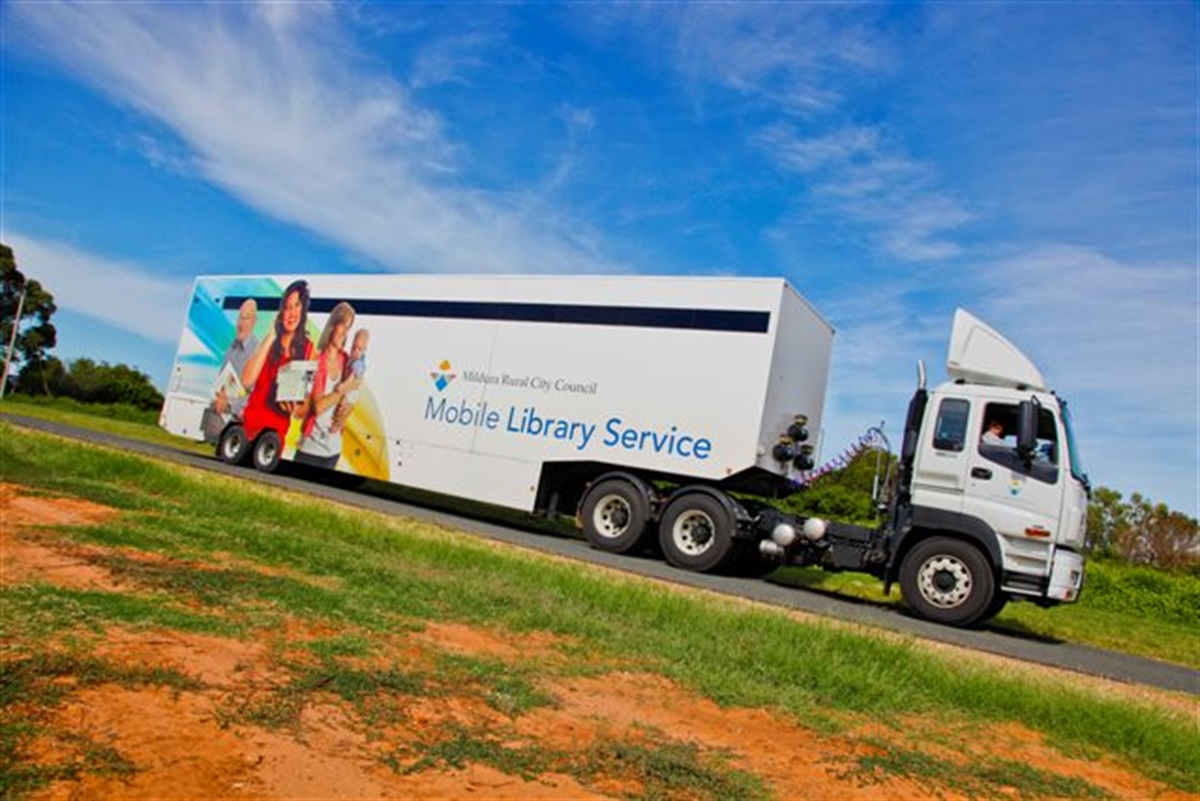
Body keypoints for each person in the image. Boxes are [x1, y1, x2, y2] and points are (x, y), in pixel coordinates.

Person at [240, 280, 313, 440]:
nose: (291, 313)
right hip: (252, 420)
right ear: (281, 313)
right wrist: (271, 336)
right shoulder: (269, 342)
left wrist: (295, 405)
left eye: (296, 305)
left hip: (276, 430)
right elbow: (246, 381)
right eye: (287, 307)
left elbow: (302, 410)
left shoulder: (308, 349)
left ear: (303, 309)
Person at [295, 303, 359, 470]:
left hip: (333, 449)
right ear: (332, 326)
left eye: (349, 328)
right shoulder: (316, 361)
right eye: (343, 326)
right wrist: (342, 389)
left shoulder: (345, 360)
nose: (346, 333)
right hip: (311, 447)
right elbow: (318, 406)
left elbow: (355, 388)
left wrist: (345, 413)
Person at [202, 299, 258, 442]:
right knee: (211, 437)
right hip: (218, 413)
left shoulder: (257, 351)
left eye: (246, 318)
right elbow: (223, 379)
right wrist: (220, 396)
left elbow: (255, 392)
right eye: (240, 317)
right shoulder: (232, 347)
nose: (240, 324)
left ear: (254, 321)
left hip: (236, 417)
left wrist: (230, 404)